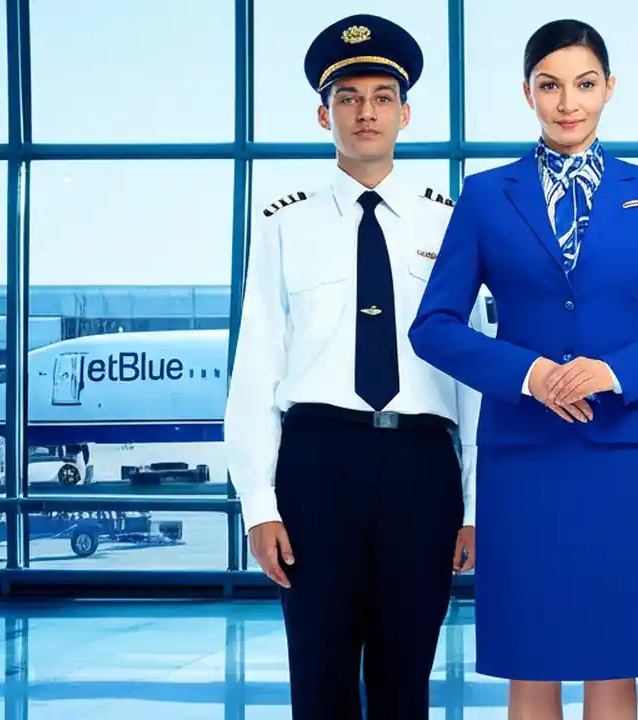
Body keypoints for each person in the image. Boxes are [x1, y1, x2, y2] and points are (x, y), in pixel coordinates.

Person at [409, 19, 638, 720]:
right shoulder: (488, 196)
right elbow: (433, 327)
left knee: (616, 657)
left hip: (620, 454)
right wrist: (531, 375)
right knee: (532, 656)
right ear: (528, 93)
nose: (567, 102)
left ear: (609, 89)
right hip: (525, 456)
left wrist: (611, 372)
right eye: (550, 86)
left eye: (584, 85)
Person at [223, 14, 484, 719]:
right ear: (323, 112)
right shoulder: (284, 222)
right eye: (348, 97)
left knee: (407, 681)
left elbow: (471, 378)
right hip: (316, 465)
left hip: (422, 469)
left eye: (380, 96)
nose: (364, 111)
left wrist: (475, 502)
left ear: (405, 111)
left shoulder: (450, 222)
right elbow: (256, 365)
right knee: (320, 676)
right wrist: (259, 505)